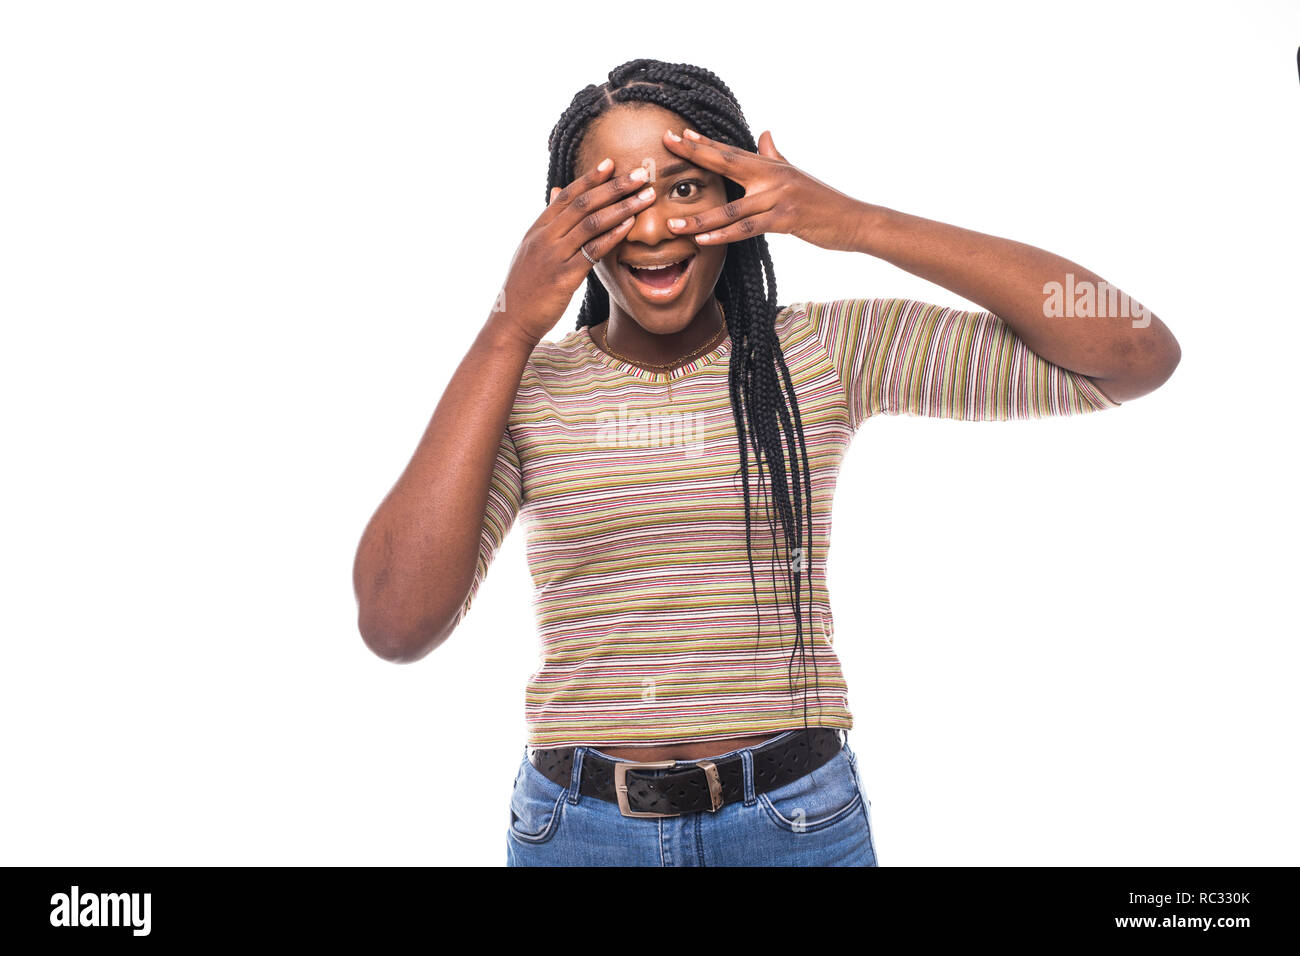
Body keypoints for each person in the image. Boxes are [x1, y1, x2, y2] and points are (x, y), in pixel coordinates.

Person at [351, 58, 1180, 867]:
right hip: (578, 834)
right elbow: (396, 624)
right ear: (561, 222)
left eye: (683, 186)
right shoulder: (523, 386)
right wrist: (507, 328)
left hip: (793, 827)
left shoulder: (818, 353)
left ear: (736, 196)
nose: (650, 227)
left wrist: (858, 223)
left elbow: (1132, 351)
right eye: (615, 196)